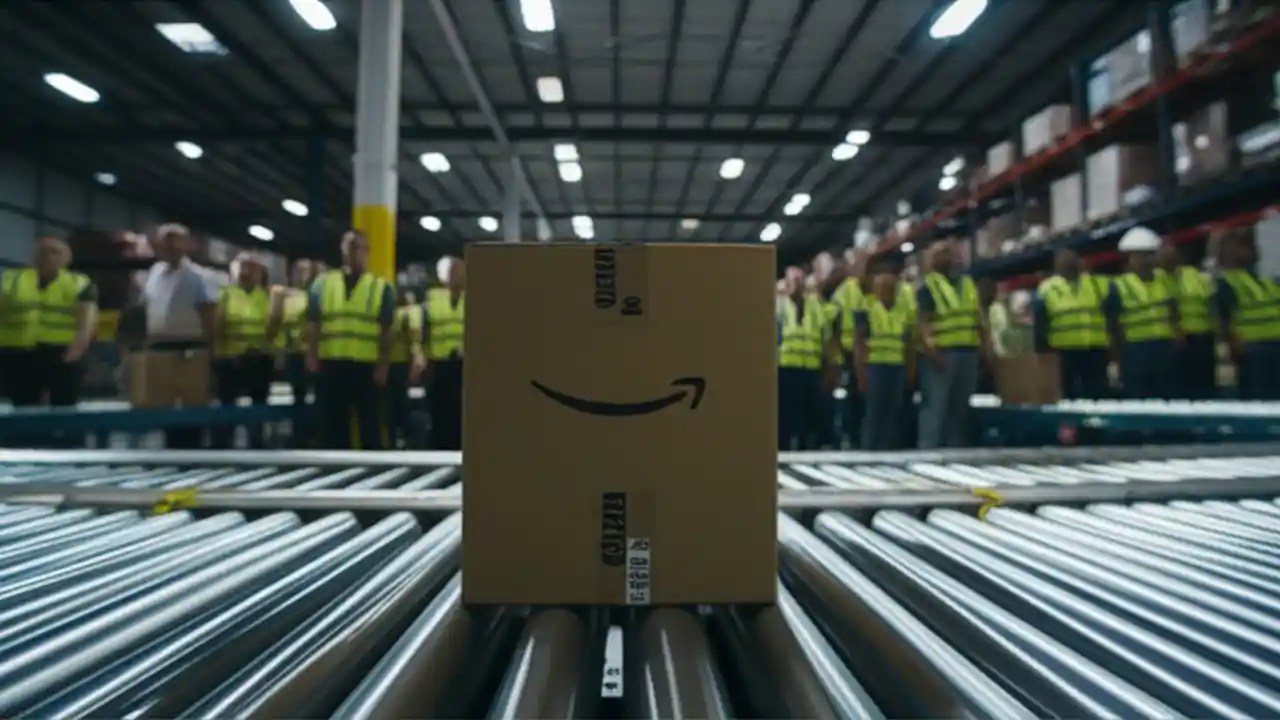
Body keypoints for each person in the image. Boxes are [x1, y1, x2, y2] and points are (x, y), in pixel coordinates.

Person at [306, 230, 395, 450]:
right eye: (350, 247)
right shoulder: (322, 284)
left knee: (370, 425)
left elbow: (386, 331)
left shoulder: (381, 287)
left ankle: (373, 466)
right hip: (331, 363)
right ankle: (335, 466)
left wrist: (383, 366)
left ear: (367, 252)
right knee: (332, 424)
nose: (354, 253)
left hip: (366, 366)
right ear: (342, 251)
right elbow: (314, 324)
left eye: (359, 248)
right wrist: (311, 356)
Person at [139, 224, 217, 447]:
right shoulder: (154, 274)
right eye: (165, 240)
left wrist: (212, 350)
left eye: (175, 239)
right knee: (163, 402)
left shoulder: (200, 276)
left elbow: (209, 314)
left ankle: (193, 449)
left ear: (187, 244)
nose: (170, 245)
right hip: (159, 346)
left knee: (192, 402)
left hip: (190, 347)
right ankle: (170, 448)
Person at [0, 237, 99, 408]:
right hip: (18, 353)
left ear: (66, 259)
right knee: (23, 408)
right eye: (42, 252)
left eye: (55, 252)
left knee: (64, 408)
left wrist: (74, 354)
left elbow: (86, 323)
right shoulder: (12, 280)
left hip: (60, 353)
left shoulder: (80, 284)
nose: (48, 256)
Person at [916, 238, 991, 448]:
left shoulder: (967, 285)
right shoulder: (928, 287)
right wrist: (933, 352)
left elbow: (979, 318)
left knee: (960, 410)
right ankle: (928, 451)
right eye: (942, 253)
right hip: (942, 355)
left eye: (950, 252)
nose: (948, 257)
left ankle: (955, 451)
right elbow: (923, 323)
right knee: (936, 407)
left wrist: (986, 347)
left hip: (968, 353)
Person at [1105, 226, 1180, 399]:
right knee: (1138, 399)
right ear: (1129, 258)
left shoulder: (1165, 279)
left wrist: (1176, 337)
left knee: (1167, 398)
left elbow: (1173, 311)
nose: (1144, 260)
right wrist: (1117, 358)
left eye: (1148, 255)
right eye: (1138, 255)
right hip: (1135, 351)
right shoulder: (1118, 286)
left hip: (1164, 348)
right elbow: (1113, 327)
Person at [1032, 249, 1112, 399]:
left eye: (1072, 264)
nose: (1069, 268)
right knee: (1068, 395)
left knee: (1098, 394)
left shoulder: (1097, 284)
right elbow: (1040, 325)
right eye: (1065, 265)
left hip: (1095, 349)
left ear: (1079, 264)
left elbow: (1111, 315)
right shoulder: (1047, 289)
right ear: (1057, 268)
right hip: (1063, 352)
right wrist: (1043, 354)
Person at [855, 263, 915, 450]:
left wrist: (910, 369)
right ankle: (869, 450)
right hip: (875, 367)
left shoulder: (902, 311)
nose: (887, 292)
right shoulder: (867, 309)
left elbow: (908, 343)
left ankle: (887, 450)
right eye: (882, 288)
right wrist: (861, 374)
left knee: (893, 412)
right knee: (874, 413)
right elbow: (859, 344)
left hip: (896, 367)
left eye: (891, 289)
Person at [213, 253, 271, 448]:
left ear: (260, 273)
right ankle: (225, 444)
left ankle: (257, 444)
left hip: (259, 360)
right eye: (243, 267)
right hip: (231, 359)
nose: (246, 272)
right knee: (227, 406)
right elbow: (217, 328)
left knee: (258, 407)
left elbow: (273, 330)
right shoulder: (225, 295)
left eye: (252, 268)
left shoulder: (267, 297)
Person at [1215, 227, 1280, 400]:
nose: (1249, 251)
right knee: (1258, 397)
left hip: (1276, 345)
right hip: (1252, 349)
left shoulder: (1272, 278)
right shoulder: (1228, 281)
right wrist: (1233, 345)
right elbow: (1223, 319)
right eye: (1242, 246)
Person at [777, 266, 835, 450]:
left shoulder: (815, 306)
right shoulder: (779, 306)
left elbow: (826, 336)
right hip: (786, 369)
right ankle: (783, 449)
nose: (796, 286)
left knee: (809, 417)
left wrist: (829, 367)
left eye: (799, 281)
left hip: (811, 369)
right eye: (793, 281)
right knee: (785, 416)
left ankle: (806, 448)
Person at [1159, 241, 1215, 399]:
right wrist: (1176, 330)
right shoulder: (1157, 278)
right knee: (1180, 390)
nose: (1168, 256)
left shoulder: (1195, 275)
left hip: (1203, 337)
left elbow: (1210, 303)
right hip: (1176, 341)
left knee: (1205, 388)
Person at [424, 257, 466, 450]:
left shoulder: (475, 299)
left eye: (457, 270)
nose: (453, 275)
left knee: (462, 415)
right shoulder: (432, 300)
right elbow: (423, 333)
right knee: (439, 414)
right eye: (449, 271)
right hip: (438, 365)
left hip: (465, 368)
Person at [268, 258, 318, 407]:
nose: (302, 275)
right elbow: (276, 322)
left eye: (305, 271)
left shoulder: (317, 295)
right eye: (298, 271)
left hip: (315, 351)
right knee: (298, 394)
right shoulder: (284, 296)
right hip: (294, 353)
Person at [388, 288, 426, 448]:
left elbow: (413, 341)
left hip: (400, 364)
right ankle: (401, 436)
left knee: (398, 403)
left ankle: (403, 436)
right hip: (397, 364)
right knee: (397, 403)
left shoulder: (406, 314)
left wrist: (415, 361)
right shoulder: (407, 313)